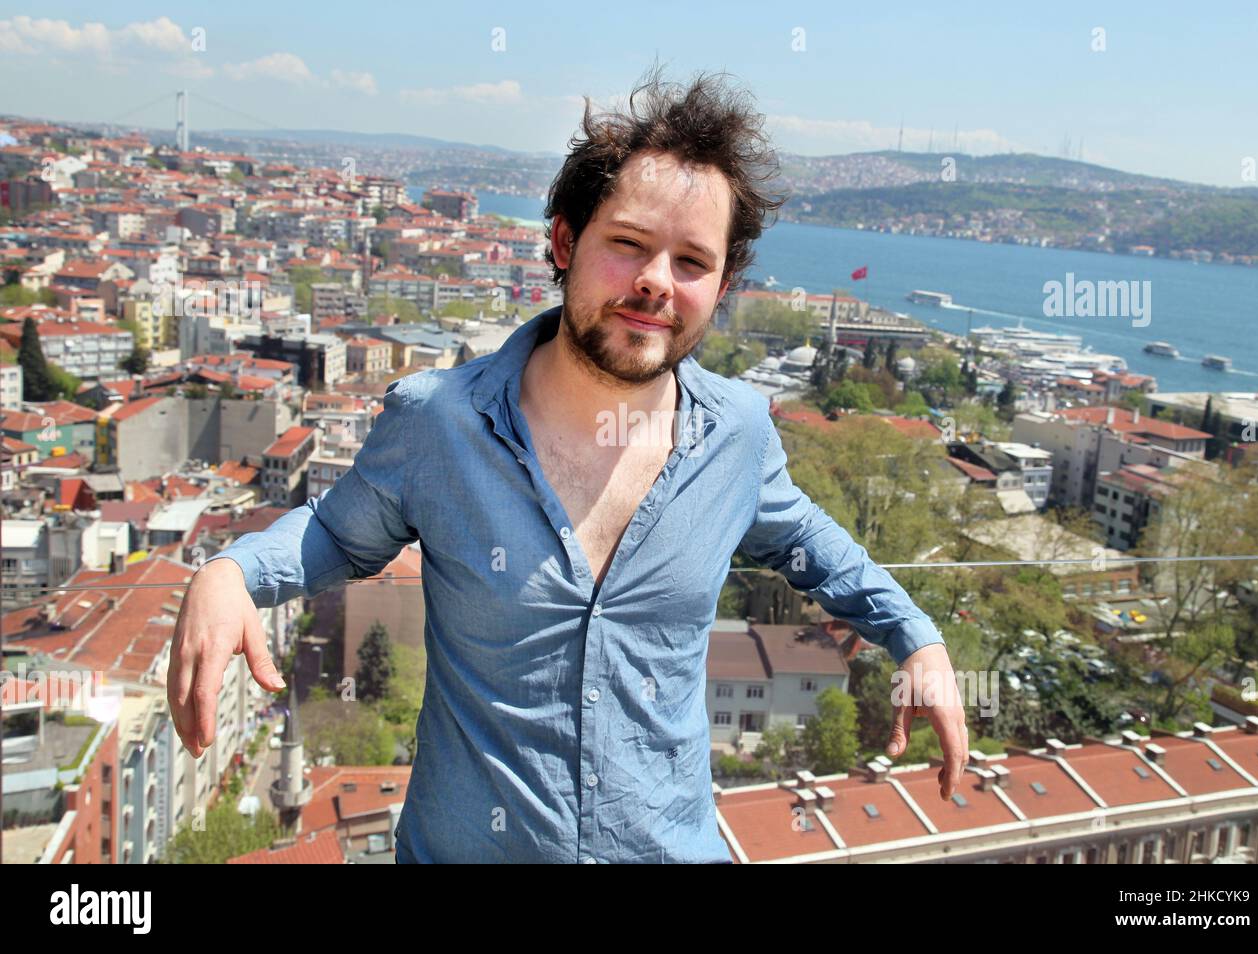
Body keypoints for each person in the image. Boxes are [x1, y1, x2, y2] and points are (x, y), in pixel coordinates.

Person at [168, 65, 968, 863]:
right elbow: (336, 536)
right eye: (627, 245)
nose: (657, 281)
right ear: (562, 241)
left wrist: (916, 638)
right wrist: (229, 575)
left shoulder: (739, 436)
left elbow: (812, 546)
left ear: (722, 286)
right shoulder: (439, 423)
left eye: (692, 261)